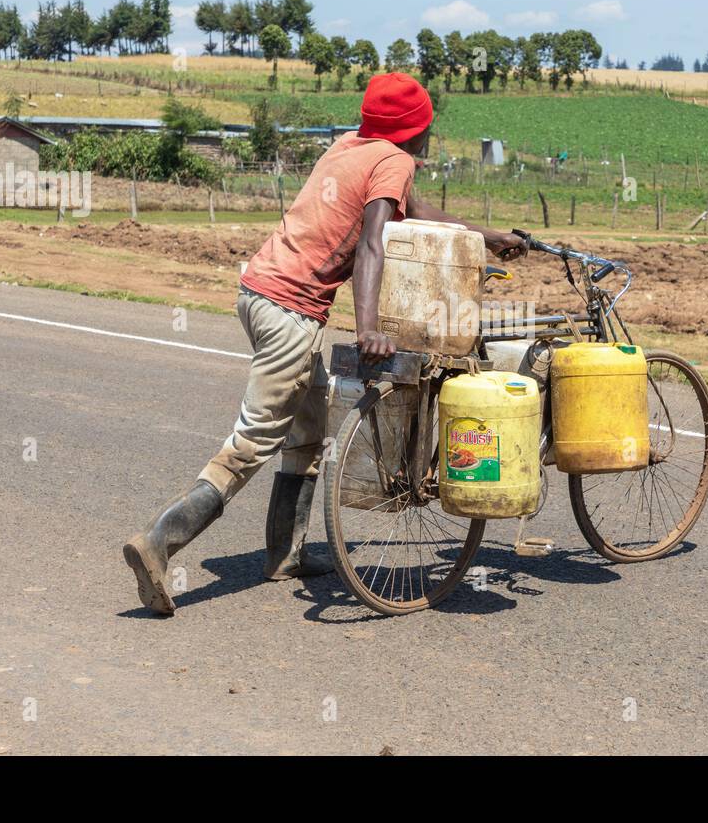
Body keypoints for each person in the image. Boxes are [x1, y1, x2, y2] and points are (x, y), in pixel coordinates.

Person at [123, 73, 526, 615]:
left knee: (308, 427)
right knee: (254, 442)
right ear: (418, 129)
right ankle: (158, 544)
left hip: (259, 293)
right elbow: (374, 244)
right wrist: (367, 328)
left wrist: (485, 236)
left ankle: (284, 554)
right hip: (290, 310)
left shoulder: (353, 146)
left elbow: (418, 215)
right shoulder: (396, 160)